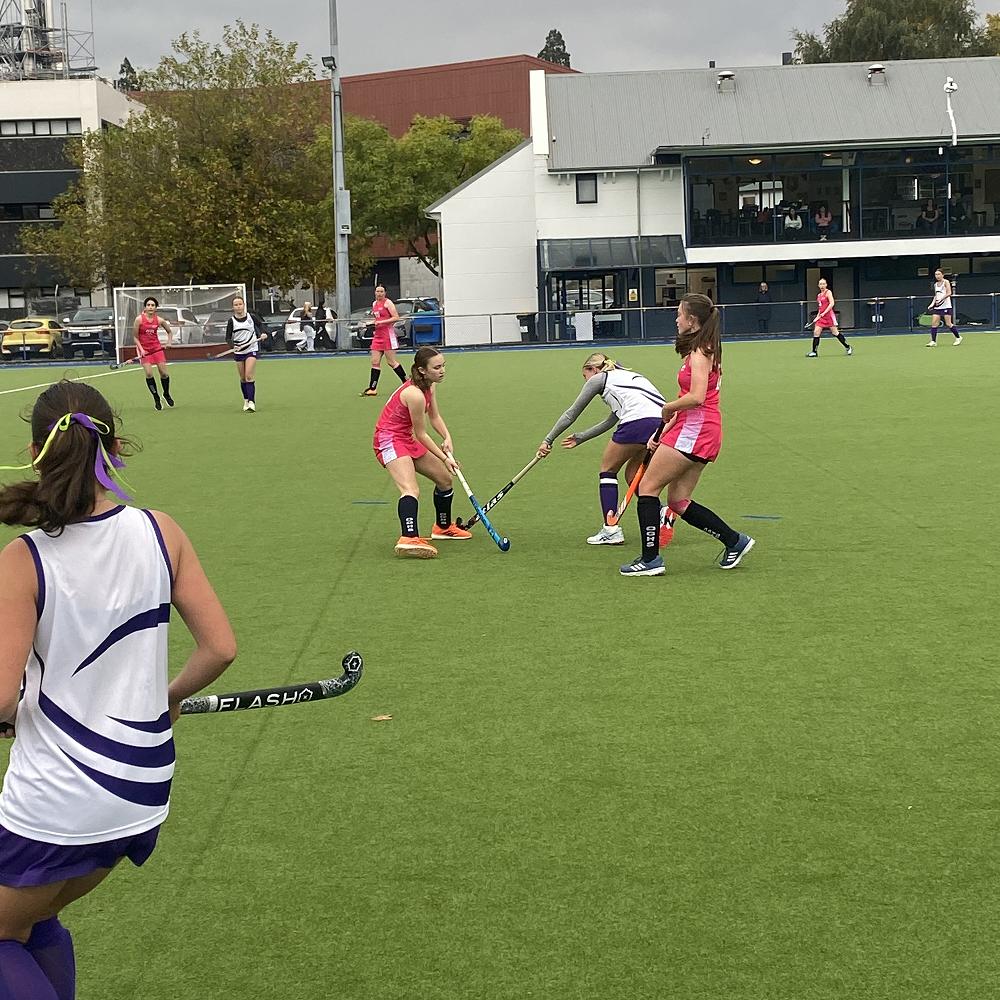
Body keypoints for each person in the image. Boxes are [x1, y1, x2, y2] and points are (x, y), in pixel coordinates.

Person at [0, 380, 236, 1000]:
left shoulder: (24, 558)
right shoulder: (162, 530)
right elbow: (220, 648)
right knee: (28, 918)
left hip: (59, 801)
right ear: (111, 449)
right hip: (141, 792)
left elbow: (1, 698)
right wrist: (169, 697)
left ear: (34, 451)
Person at [619, 294, 754, 577]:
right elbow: (688, 400)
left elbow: (696, 397)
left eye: (679, 314)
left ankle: (650, 559)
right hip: (696, 429)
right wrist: (664, 429)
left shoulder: (700, 353)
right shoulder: (703, 349)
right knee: (679, 500)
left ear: (692, 320)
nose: (676, 318)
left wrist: (667, 407)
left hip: (696, 430)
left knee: (648, 487)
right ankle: (734, 540)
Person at [536, 352, 674, 548]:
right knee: (633, 475)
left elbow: (571, 414)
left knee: (608, 470)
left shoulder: (600, 378)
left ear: (593, 369)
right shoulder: (629, 377)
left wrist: (548, 440)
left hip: (637, 422)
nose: (586, 381)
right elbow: (612, 419)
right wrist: (582, 436)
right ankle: (660, 512)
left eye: (585, 376)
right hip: (661, 424)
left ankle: (611, 530)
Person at [373, 347, 472, 558]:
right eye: (437, 367)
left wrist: (447, 437)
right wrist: (445, 458)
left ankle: (442, 528)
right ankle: (408, 538)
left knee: (445, 480)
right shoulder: (414, 394)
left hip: (404, 438)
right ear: (422, 370)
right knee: (410, 489)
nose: (442, 370)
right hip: (388, 440)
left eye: (443, 365)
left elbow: (435, 417)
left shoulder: (429, 386)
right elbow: (422, 434)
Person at [360, 286, 407, 397]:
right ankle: (372, 388)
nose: (379, 293)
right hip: (378, 336)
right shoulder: (374, 304)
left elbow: (396, 317)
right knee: (375, 362)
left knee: (391, 362)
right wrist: (371, 323)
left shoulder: (388, 303)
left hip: (387, 335)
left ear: (385, 292)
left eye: (381, 291)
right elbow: (377, 319)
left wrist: (382, 322)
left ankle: (406, 382)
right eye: (377, 291)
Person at [225, 296, 269, 411]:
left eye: (240, 304)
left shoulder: (251, 317)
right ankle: (246, 399)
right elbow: (228, 338)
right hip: (239, 351)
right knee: (243, 378)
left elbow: (261, 326)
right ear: (233, 307)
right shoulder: (231, 321)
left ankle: (252, 402)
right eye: (236, 305)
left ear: (244, 305)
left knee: (249, 375)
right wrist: (233, 346)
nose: (238, 306)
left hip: (251, 349)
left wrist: (263, 333)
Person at [131, 297, 173, 411]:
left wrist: (169, 342)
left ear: (155, 308)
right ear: (145, 307)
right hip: (144, 349)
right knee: (149, 374)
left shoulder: (159, 320)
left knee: (164, 374)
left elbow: (169, 331)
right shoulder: (139, 320)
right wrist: (141, 350)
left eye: (153, 305)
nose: (150, 307)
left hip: (156, 349)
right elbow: (135, 337)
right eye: (148, 305)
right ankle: (156, 398)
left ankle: (166, 393)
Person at [808, 278, 853, 358]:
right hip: (821, 317)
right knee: (816, 332)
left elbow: (832, 303)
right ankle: (814, 352)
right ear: (818, 285)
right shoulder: (819, 295)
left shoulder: (828, 292)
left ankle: (848, 347)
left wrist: (824, 313)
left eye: (823, 284)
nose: (822, 286)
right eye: (820, 284)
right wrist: (817, 317)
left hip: (829, 316)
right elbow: (820, 307)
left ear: (826, 285)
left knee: (835, 333)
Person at [925, 269, 962, 347]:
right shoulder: (935, 284)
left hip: (946, 306)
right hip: (938, 307)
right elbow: (936, 296)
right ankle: (933, 341)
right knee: (934, 323)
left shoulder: (946, 282)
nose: (937, 276)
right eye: (936, 274)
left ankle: (958, 337)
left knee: (948, 324)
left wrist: (941, 299)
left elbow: (949, 293)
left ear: (942, 275)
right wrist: (932, 304)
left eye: (939, 274)